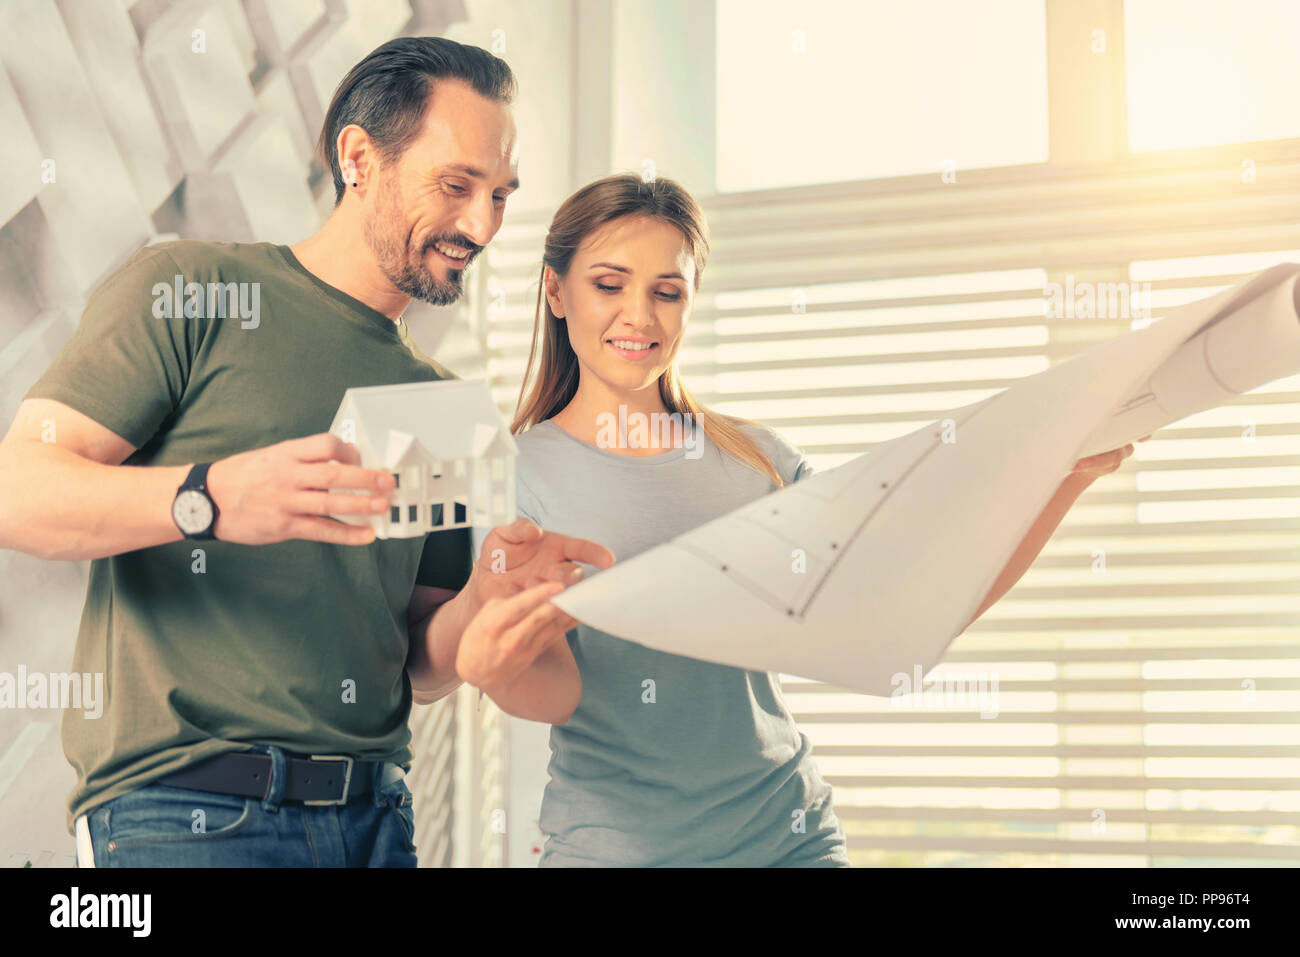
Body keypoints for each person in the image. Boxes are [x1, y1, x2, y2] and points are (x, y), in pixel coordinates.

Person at [0, 36, 610, 868]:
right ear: (359, 157)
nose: (480, 224)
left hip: (375, 825)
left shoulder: (442, 402)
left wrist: (481, 606)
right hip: (183, 815)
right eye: (457, 185)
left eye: (500, 195)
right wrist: (207, 498)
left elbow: (420, 661)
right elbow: (18, 490)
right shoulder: (192, 290)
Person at [466, 172, 1139, 867]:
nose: (639, 315)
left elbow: (912, 600)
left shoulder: (758, 461)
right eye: (609, 284)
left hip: (788, 840)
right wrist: (493, 670)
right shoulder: (520, 475)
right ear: (555, 290)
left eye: (667, 292)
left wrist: (1062, 480)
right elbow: (560, 691)